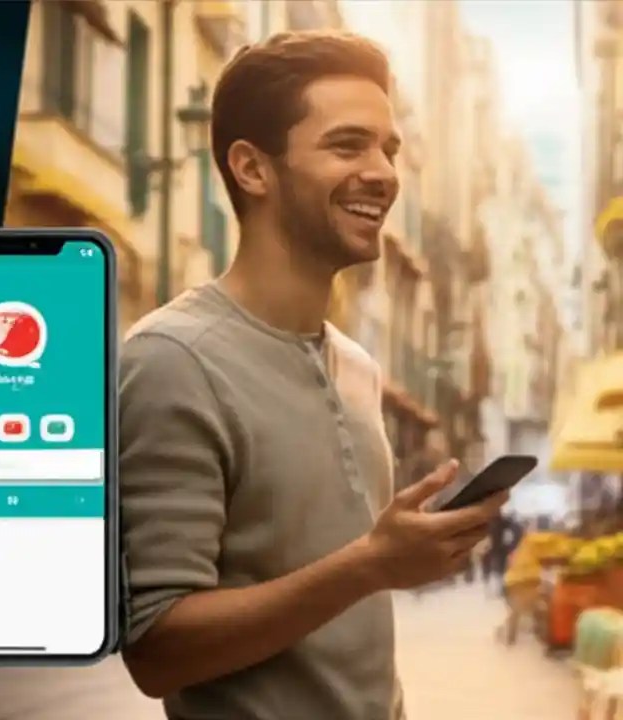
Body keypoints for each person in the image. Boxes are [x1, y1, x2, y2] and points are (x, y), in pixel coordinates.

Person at [117, 32, 507, 720]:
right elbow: (157, 650)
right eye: (347, 145)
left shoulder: (357, 368)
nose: (383, 173)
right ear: (252, 169)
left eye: (389, 149)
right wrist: (371, 565)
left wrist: (397, 558)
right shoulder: (172, 361)